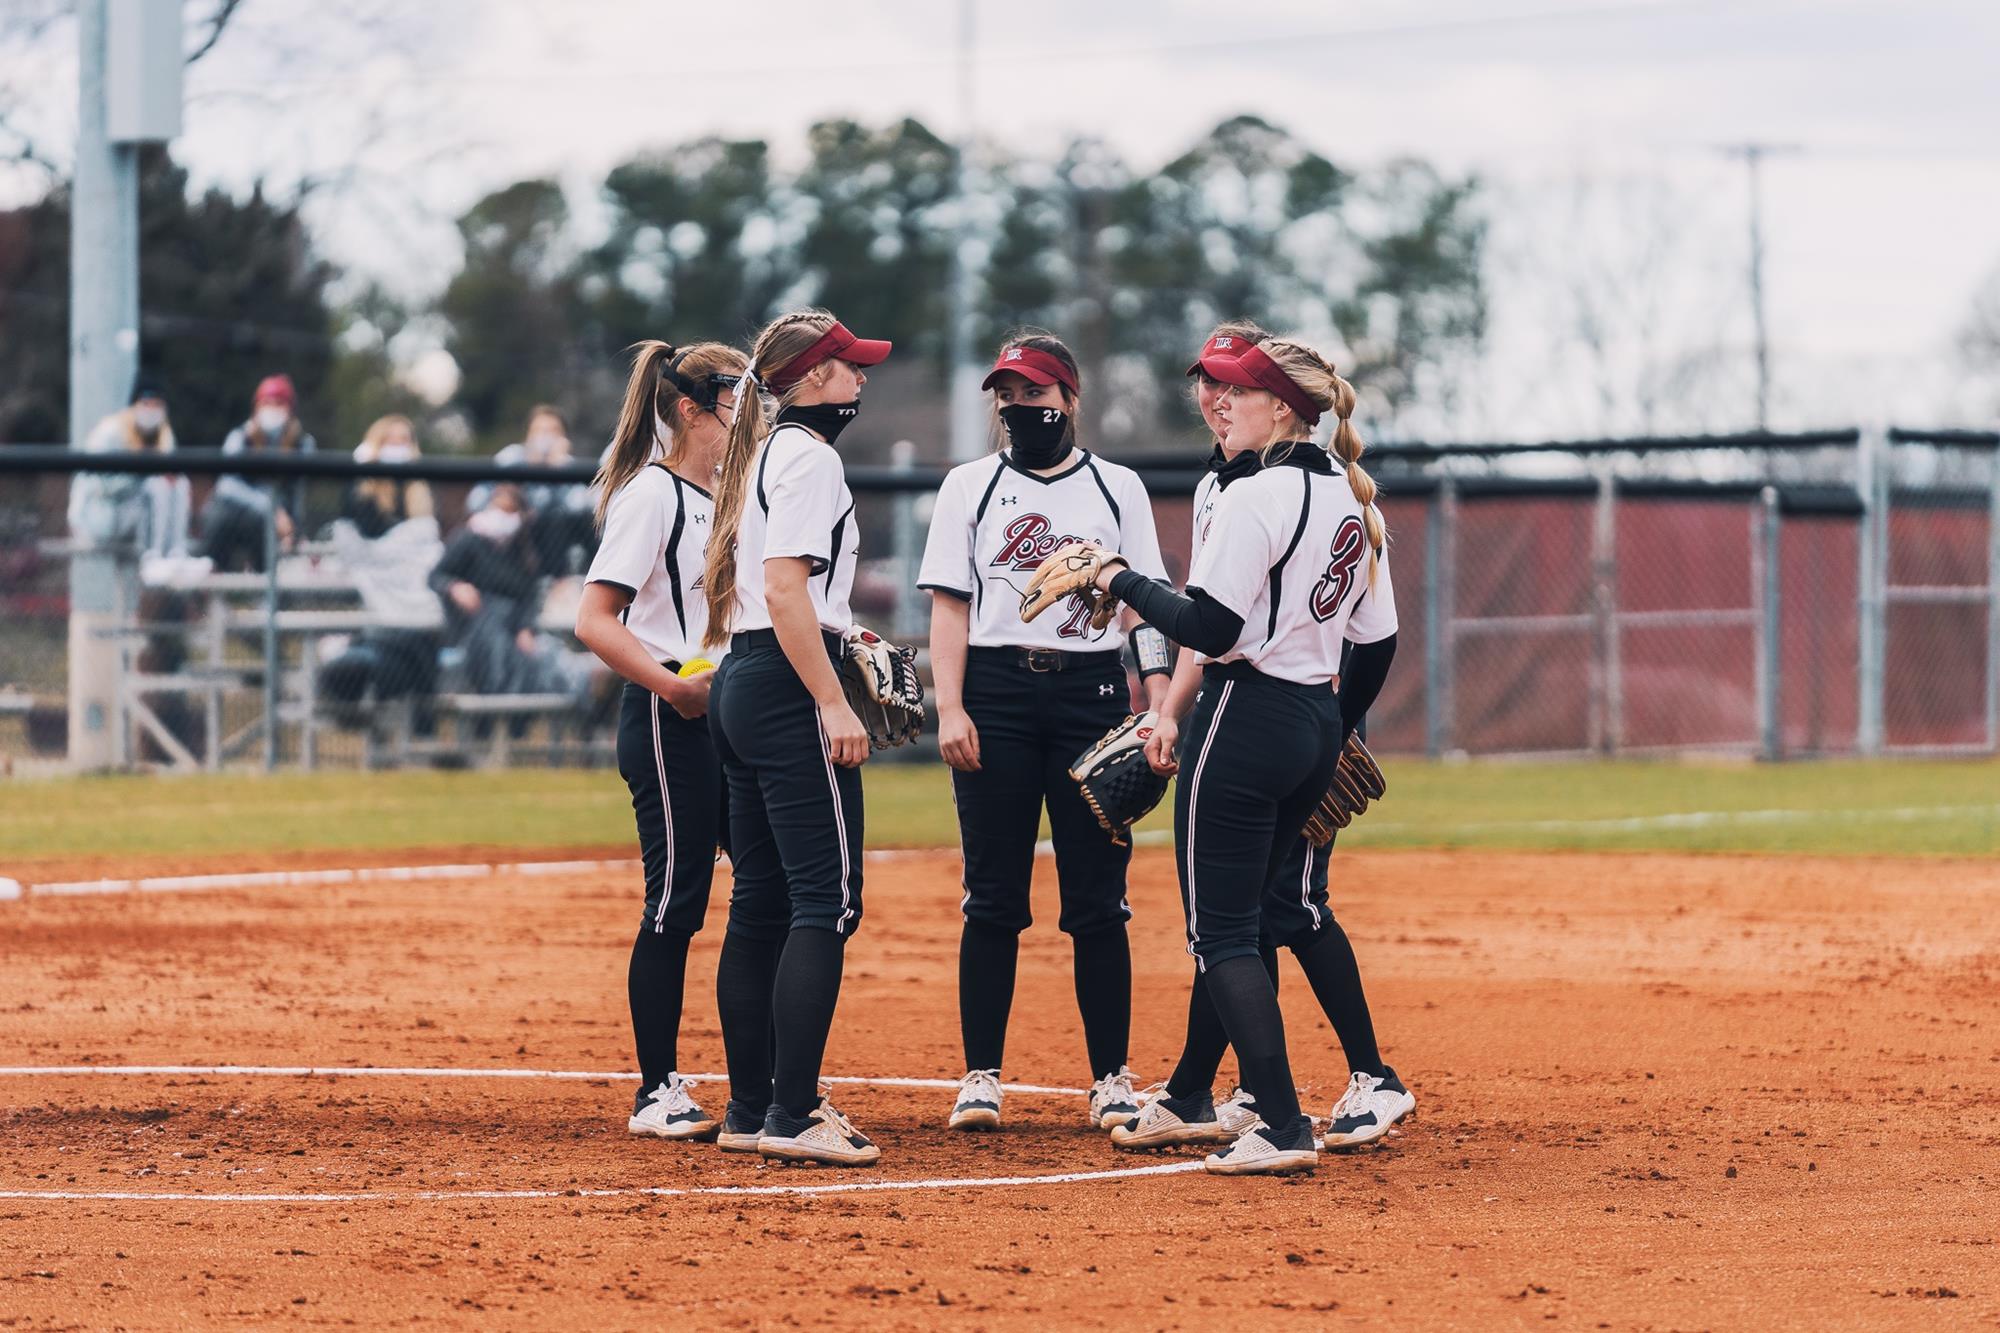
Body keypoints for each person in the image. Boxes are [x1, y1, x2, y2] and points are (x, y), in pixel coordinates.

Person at [1030, 336, 1399, 1176]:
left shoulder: (1253, 495)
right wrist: (1333, 727)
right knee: (1254, 915)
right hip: (1306, 718)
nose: (1220, 402)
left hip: (1241, 714)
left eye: (1238, 390)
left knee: (1221, 933)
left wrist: (1116, 575)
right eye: (1215, 389)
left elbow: (1212, 627)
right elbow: (1376, 643)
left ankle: (1278, 1122)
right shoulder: (1347, 497)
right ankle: (1201, 1093)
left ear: (1284, 409)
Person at [918, 331, 1172, 1135]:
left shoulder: (1117, 487)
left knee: (1098, 899)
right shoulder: (970, 484)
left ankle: (1110, 1078)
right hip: (994, 689)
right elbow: (949, 606)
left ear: (1067, 397)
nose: (1018, 407)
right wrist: (949, 705)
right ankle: (981, 1076)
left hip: (1092, 691)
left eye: (1034, 393)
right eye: (1008, 394)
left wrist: (1158, 702)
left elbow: (1143, 605)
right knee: (992, 896)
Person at [702, 309, 892, 1166]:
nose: (859, 380)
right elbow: (787, 592)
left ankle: (751, 1106)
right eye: (849, 368)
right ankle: (792, 1110)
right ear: (812, 378)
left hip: (742, 680)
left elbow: (776, 599)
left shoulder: (762, 454)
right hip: (785, 686)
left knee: (761, 902)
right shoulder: (809, 456)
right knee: (827, 901)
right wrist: (833, 701)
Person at [574, 339, 747, 1141]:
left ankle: (766, 1080)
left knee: (771, 889)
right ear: (689, 408)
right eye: (735, 401)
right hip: (668, 710)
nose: (750, 416)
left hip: (737, 710)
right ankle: (657, 1089)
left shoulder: (738, 496)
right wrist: (673, 687)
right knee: (676, 900)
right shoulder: (653, 495)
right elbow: (594, 619)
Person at [429, 484, 574, 718]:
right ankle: (490, 724)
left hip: (512, 626)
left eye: (510, 512)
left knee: (539, 656)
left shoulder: (523, 548)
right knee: (495, 650)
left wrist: (524, 628)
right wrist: (455, 586)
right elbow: (436, 576)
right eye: (500, 509)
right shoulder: (468, 540)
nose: (504, 518)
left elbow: (528, 595)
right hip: (473, 627)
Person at [201, 374, 316, 573]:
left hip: (276, 524)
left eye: (279, 403)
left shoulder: (302, 443)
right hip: (238, 517)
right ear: (257, 407)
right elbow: (227, 487)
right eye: (267, 403)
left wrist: (295, 528)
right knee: (219, 512)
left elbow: (298, 493)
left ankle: (266, 589)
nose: (272, 408)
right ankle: (212, 585)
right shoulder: (240, 437)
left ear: (290, 409)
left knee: (271, 530)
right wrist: (270, 508)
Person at [68, 377, 191, 559]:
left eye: (157, 404)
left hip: (136, 513)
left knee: (179, 483)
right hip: (101, 515)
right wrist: (139, 474)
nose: (151, 410)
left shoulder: (164, 435)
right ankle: (153, 557)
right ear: (134, 405)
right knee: (155, 486)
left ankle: (176, 553)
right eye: (146, 403)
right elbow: (98, 486)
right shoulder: (110, 432)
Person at [470, 405, 597, 576]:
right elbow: (475, 501)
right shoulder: (512, 457)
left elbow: (581, 508)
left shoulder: (567, 465)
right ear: (528, 436)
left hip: (556, 543)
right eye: (539, 430)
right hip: (515, 540)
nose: (545, 437)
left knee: (556, 519)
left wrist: (558, 471)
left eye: (553, 431)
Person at [343, 415, 435, 538]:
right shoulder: (361, 485)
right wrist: (368, 467)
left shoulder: (418, 485)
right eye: (389, 438)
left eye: (403, 439)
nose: (396, 443)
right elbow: (366, 529)